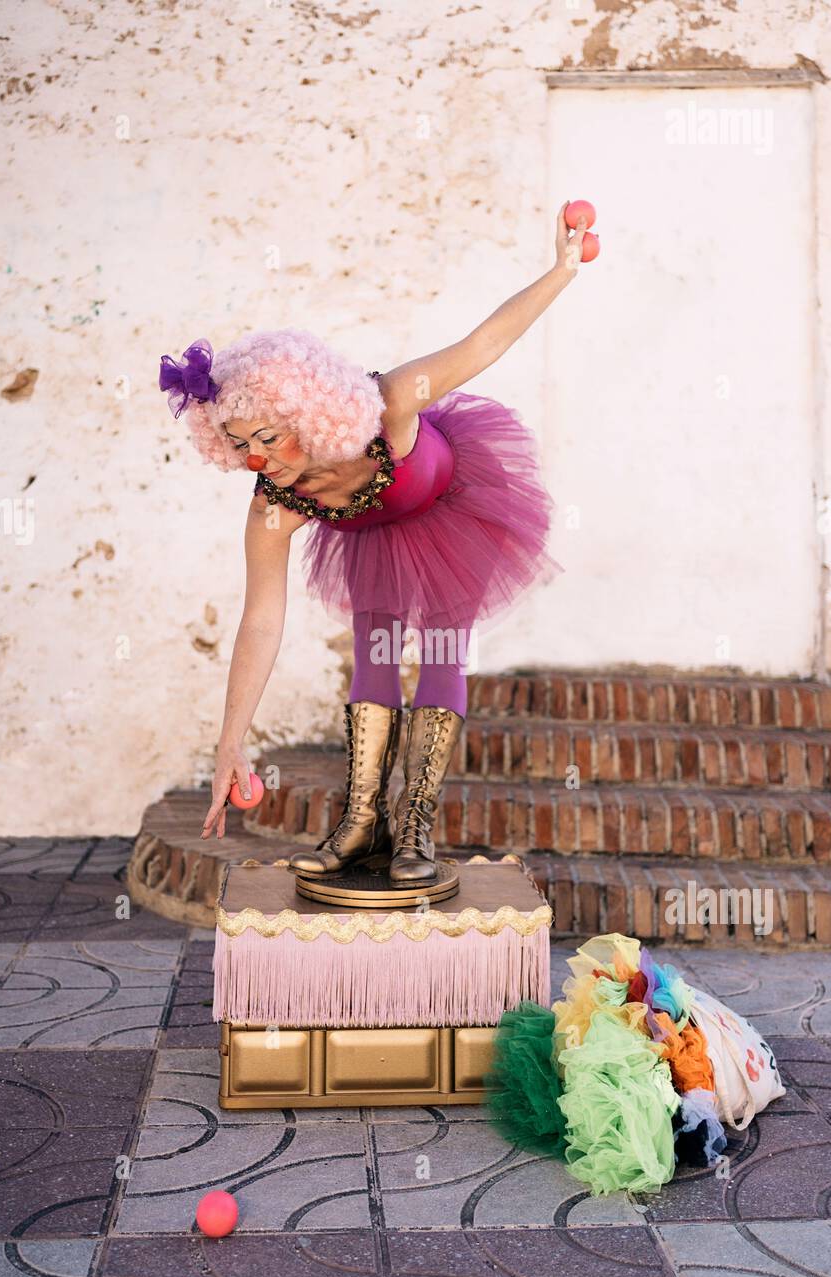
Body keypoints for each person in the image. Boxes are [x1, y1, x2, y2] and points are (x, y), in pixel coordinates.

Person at [160, 205, 588, 884]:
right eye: (239, 445)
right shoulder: (274, 506)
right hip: (373, 542)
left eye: (269, 438)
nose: (256, 458)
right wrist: (230, 740)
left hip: (454, 515)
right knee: (374, 655)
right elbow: (262, 620)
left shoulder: (387, 405)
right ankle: (362, 823)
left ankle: (415, 824)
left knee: (443, 653)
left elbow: (482, 345)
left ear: (308, 412)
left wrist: (561, 270)